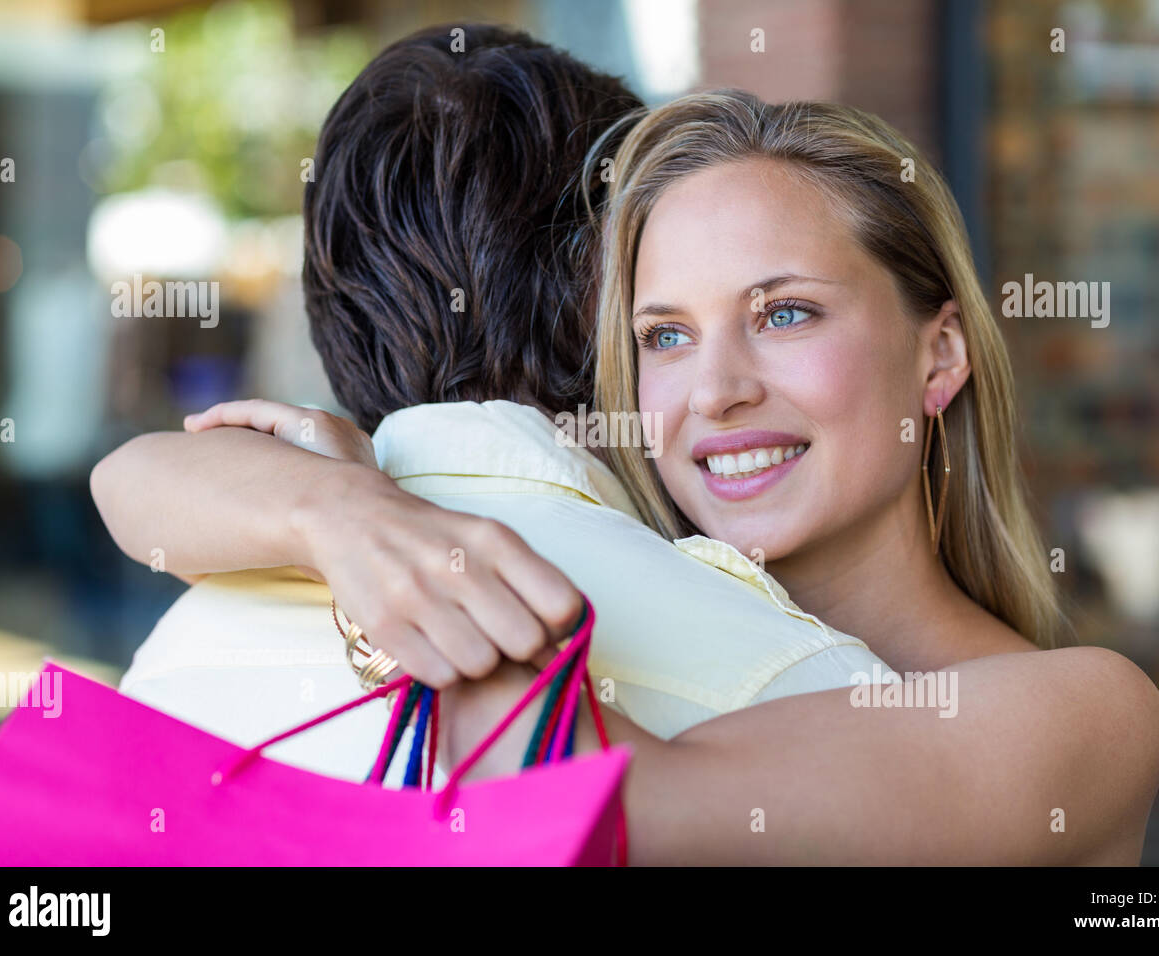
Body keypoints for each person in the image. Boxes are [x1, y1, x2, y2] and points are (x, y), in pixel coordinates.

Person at [92, 27, 896, 784]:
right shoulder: (817, 695)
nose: (719, 387)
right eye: (666, 316)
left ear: (332, 312)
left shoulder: (176, 653)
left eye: (785, 315)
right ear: (604, 294)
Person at [432, 90, 1159, 864]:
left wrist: (375, 528)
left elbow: (593, 809)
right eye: (667, 335)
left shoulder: (1090, 710)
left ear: (942, 353)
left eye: (784, 313)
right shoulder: (626, 645)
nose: (716, 391)